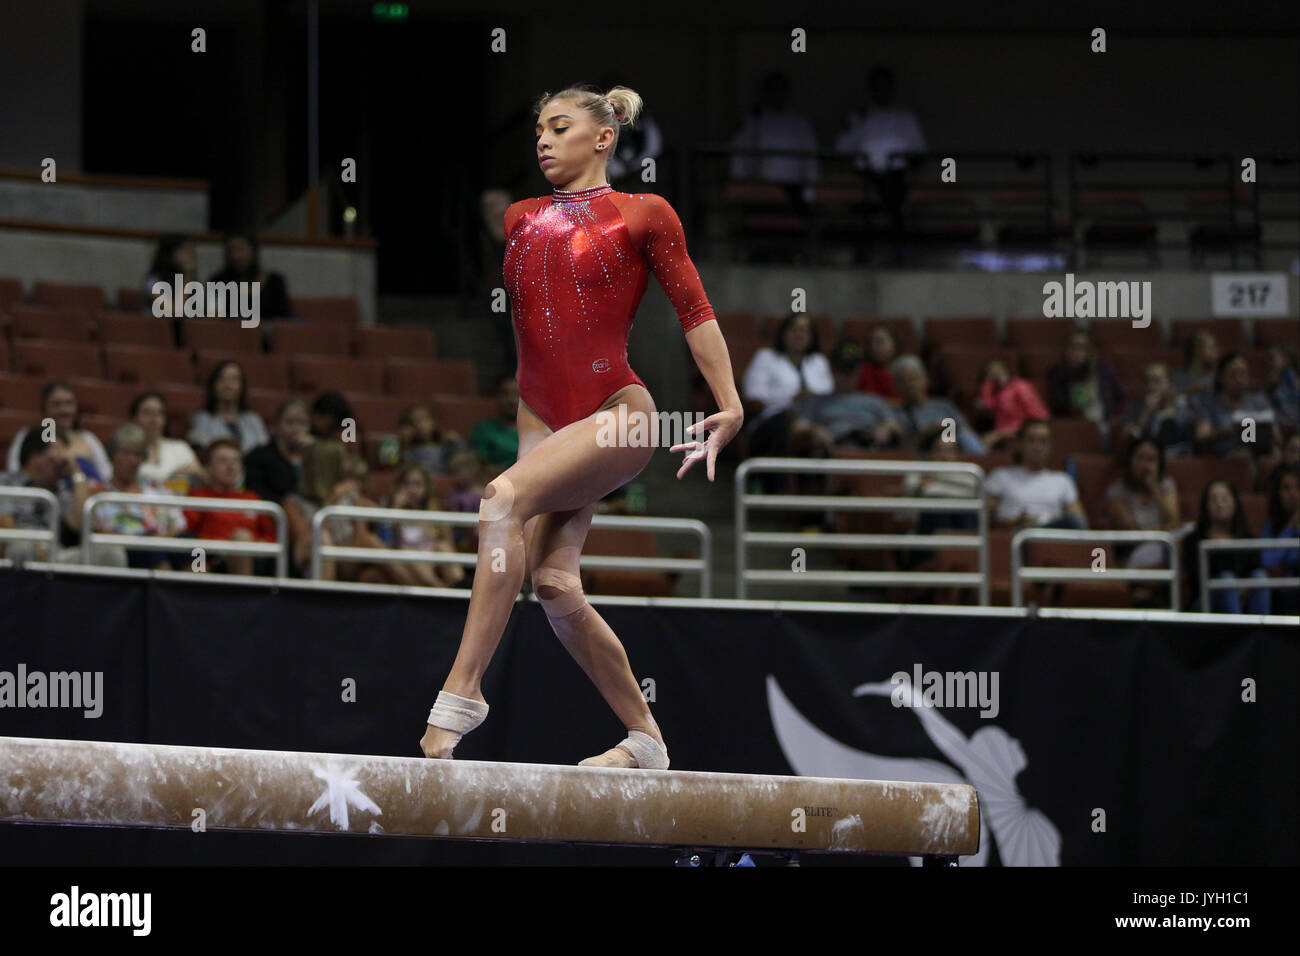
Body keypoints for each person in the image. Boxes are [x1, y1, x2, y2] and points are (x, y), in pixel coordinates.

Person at [420, 84, 742, 771]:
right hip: (540, 416)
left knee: (501, 500)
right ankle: (646, 739)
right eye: (536, 129)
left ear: (602, 138)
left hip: (615, 414)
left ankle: (462, 693)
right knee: (557, 585)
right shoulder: (519, 216)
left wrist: (729, 401)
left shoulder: (644, 212)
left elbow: (694, 308)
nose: (541, 139)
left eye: (558, 127)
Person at [835, 66, 927, 263]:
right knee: (863, 202)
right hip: (864, 176)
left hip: (896, 175)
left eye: (885, 86)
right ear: (871, 89)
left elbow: (919, 152)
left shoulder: (905, 118)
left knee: (893, 198)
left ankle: (898, 254)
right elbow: (841, 149)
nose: (881, 91)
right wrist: (850, 125)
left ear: (892, 88)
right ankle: (863, 256)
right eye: (877, 87)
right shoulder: (859, 116)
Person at [0, 427, 124, 566]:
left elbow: (80, 524)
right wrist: (35, 545)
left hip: (58, 553)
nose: (62, 460)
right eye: (56, 453)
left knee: (111, 553)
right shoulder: (6, 482)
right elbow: (5, 524)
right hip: (22, 548)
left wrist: (76, 473)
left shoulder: (63, 491)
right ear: (35, 457)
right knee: (21, 547)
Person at [87, 424, 188, 570]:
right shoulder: (97, 493)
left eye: (138, 454)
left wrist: (162, 540)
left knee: (189, 545)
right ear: (112, 455)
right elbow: (95, 531)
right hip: (125, 551)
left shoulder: (158, 490)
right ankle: (168, 590)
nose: (133, 460)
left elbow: (179, 526)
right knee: (149, 551)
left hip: (162, 545)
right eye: (126, 453)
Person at [741, 312, 834, 460]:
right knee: (784, 423)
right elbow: (754, 396)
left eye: (805, 330)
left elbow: (828, 394)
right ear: (783, 333)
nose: (799, 335)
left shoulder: (819, 361)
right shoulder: (765, 357)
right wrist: (791, 399)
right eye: (794, 329)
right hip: (772, 421)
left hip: (814, 422)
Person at [1104, 437, 1182, 606]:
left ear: (1159, 463)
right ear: (1130, 461)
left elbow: (1175, 522)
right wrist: (1164, 531)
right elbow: (1132, 532)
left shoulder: (1166, 486)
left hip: (1165, 548)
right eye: (1140, 458)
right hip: (1135, 553)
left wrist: (1155, 490)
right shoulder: (1117, 492)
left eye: (1151, 460)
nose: (1145, 465)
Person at [283, 440, 374, 580]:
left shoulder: (350, 497)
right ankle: (322, 599)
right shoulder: (292, 503)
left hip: (347, 561)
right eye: (341, 461)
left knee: (372, 572)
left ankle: (418, 587)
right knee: (323, 539)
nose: (346, 467)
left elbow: (362, 538)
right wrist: (331, 500)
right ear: (328, 467)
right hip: (311, 563)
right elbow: (307, 542)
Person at [185, 439, 277, 576]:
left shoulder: (252, 498)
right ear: (208, 467)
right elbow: (187, 533)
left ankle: (243, 594)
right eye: (222, 460)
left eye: (235, 461)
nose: (230, 466)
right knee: (197, 560)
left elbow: (270, 538)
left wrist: (251, 543)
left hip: (250, 557)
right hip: (208, 557)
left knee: (242, 537)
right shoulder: (198, 495)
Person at [368, 463, 466, 589]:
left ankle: (459, 586)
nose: (412, 489)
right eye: (407, 484)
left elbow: (450, 546)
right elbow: (387, 542)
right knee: (408, 553)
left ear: (426, 488)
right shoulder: (390, 508)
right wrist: (396, 508)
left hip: (431, 561)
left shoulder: (435, 509)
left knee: (443, 546)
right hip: (406, 564)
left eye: (417, 484)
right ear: (399, 487)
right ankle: (441, 590)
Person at [729, 71, 819, 207]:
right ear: (765, 93)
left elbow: (811, 164)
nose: (777, 94)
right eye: (773, 90)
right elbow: (738, 164)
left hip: (794, 192)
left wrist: (809, 196)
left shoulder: (800, 124)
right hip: (760, 193)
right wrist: (742, 191)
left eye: (780, 89)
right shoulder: (753, 123)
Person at [1182, 479, 1269, 614]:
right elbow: (1197, 580)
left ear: (1234, 503)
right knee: (1226, 580)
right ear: (1206, 505)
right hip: (1207, 602)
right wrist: (1231, 585)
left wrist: (1240, 588)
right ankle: (1234, 631)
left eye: (1224, 498)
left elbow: (1255, 567)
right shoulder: (1194, 540)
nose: (1219, 504)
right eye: (1213, 499)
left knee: (1260, 576)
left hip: (1245, 598)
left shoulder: (1247, 539)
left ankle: (1260, 631)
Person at [985, 419, 1088, 529]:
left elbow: (1080, 521)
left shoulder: (1062, 480)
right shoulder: (1001, 476)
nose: (1037, 447)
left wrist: (1056, 521)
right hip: (1016, 533)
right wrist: (1013, 522)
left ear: (1050, 446)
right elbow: (984, 517)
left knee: (1073, 521)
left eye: (1043, 441)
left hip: (1051, 535)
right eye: (1031, 440)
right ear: (1020, 444)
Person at [876, 355, 985, 453]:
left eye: (914, 379)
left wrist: (946, 434)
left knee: (964, 437)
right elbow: (904, 446)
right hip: (921, 459)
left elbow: (965, 430)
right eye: (903, 381)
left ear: (925, 380)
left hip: (953, 453)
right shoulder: (894, 413)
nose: (910, 385)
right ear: (896, 386)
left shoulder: (944, 405)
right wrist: (928, 431)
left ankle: (983, 463)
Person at [5, 381, 111, 480]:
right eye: (56, 404)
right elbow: (14, 470)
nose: (64, 410)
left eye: (69, 403)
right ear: (44, 408)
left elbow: (106, 475)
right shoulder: (28, 435)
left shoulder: (88, 438)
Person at [1189, 352, 1278, 459]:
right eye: (1234, 375)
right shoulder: (1208, 403)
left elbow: (1276, 434)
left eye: (1243, 374)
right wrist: (1231, 429)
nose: (1239, 380)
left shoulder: (1259, 401)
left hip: (1260, 455)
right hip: (1224, 459)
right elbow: (1202, 435)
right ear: (1221, 377)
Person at [1045, 329, 1125, 431]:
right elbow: (1060, 407)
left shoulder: (1103, 370)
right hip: (1072, 426)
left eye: (1082, 348)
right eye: (1073, 347)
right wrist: (1075, 374)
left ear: (1090, 351)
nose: (1077, 352)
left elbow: (1122, 397)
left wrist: (1115, 417)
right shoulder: (1056, 373)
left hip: (1104, 424)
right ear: (1065, 349)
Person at [188, 361, 269, 455]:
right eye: (222, 379)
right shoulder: (202, 419)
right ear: (214, 385)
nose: (228, 385)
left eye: (234, 379)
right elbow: (202, 453)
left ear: (242, 386)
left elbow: (265, 452)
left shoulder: (254, 419)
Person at [208, 231, 292, 321]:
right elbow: (214, 320)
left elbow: (285, 321)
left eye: (241, 249)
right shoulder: (217, 282)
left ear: (253, 251)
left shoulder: (274, 282)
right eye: (231, 250)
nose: (236, 256)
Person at [243, 397, 312, 504]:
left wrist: (313, 453)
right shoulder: (258, 457)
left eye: (302, 423)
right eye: (290, 423)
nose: (296, 429)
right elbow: (256, 493)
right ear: (276, 424)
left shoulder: (314, 456)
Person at [1119, 361, 1194, 458]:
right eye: (1146, 381)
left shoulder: (1185, 411)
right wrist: (1145, 414)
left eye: (1156, 381)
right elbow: (1125, 445)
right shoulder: (1135, 409)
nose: (1150, 386)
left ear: (1170, 384)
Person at [131, 392, 205, 488]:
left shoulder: (180, 448)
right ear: (134, 418)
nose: (154, 419)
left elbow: (201, 478)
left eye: (159, 413)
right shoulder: (126, 450)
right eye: (147, 413)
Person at [975, 358, 1050, 450]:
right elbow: (986, 406)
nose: (995, 373)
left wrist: (999, 435)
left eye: (997, 369)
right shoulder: (996, 392)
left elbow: (1040, 417)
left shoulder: (1021, 386)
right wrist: (988, 383)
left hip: (1018, 433)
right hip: (1001, 434)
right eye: (990, 372)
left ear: (1005, 370)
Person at [469, 375, 521, 473]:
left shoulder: (534, 431)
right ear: (496, 397)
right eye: (505, 394)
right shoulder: (484, 429)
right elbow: (478, 464)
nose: (511, 400)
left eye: (516, 394)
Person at [399, 403, 464, 476]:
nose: (421, 425)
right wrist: (405, 442)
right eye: (416, 421)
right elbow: (405, 469)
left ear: (434, 422)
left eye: (425, 419)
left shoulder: (443, 446)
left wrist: (457, 441)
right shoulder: (412, 451)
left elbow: (462, 459)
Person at [855, 324, 900, 399]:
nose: (874, 347)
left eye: (879, 341)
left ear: (894, 343)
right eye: (870, 343)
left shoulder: (906, 369)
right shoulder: (863, 371)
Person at [1172, 331, 1218, 396]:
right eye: (1211, 348)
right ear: (1197, 350)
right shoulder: (1176, 376)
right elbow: (1172, 398)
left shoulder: (1216, 377)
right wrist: (1195, 389)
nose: (1215, 352)